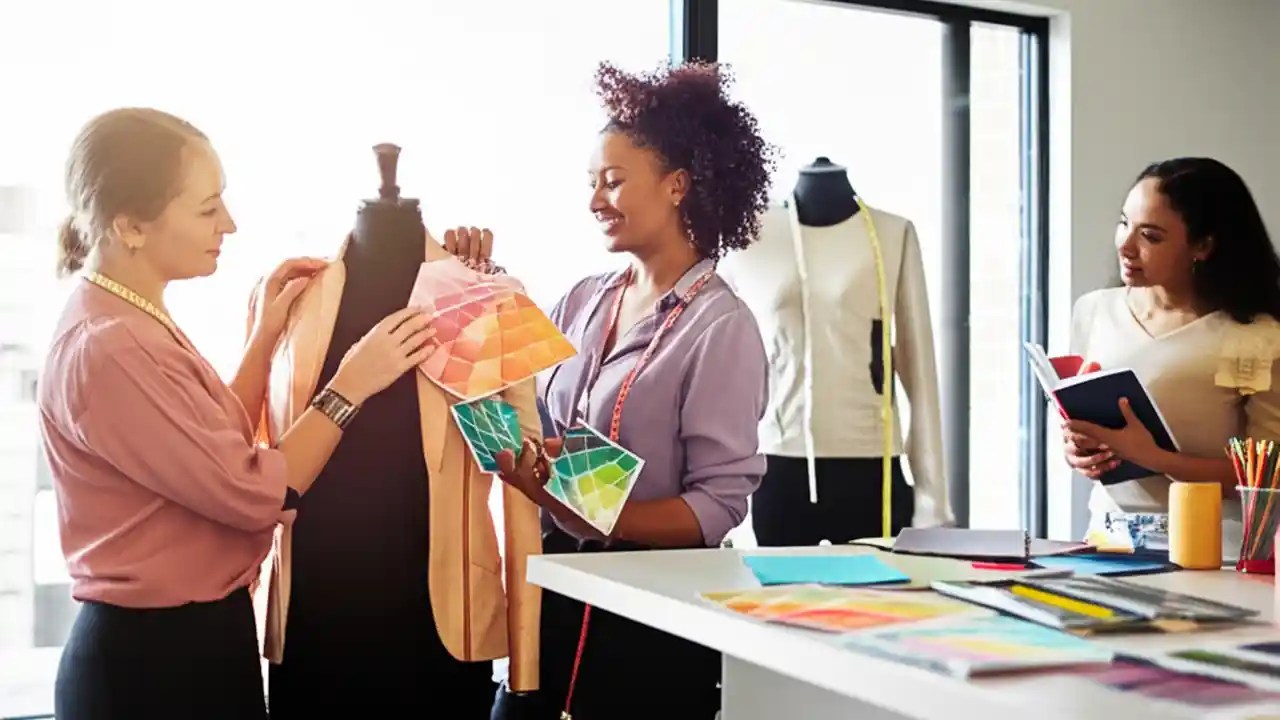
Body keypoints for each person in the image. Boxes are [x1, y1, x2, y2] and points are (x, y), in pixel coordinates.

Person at [37, 107, 441, 719]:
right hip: (155, 665)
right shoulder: (112, 347)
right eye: (206, 209)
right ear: (131, 227)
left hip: (190, 644)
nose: (228, 222)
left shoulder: (128, 316)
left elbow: (211, 442)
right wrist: (351, 383)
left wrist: (264, 337)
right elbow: (255, 490)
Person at [492, 60, 774, 720]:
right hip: (553, 590)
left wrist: (574, 498)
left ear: (677, 186)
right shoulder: (583, 301)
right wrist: (477, 278)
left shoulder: (720, 326)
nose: (595, 201)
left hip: (649, 624)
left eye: (613, 182)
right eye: (591, 183)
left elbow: (714, 508)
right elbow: (528, 407)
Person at [1062, 157, 1280, 560]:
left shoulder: (1258, 336)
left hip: (1215, 553)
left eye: (1151, 236)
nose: (1125, 245)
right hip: (1106, 543)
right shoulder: (1094, 310)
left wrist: (1153, 457)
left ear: (1204, 246)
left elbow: (1265, 476)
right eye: (1123, 222)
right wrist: (1080, 451)